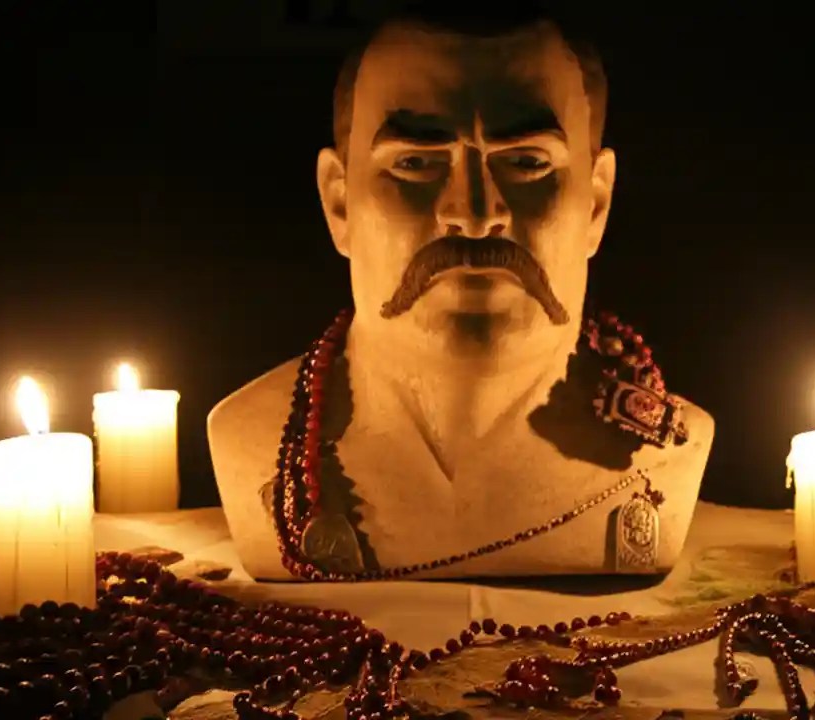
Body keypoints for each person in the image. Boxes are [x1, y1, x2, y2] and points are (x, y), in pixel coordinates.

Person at [208, 2, 714, 580]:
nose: (473, 214)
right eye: (416, 163)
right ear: (339, 203)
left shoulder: (663, 447)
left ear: (596, 203)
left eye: (525, 162)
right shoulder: (253, 435)